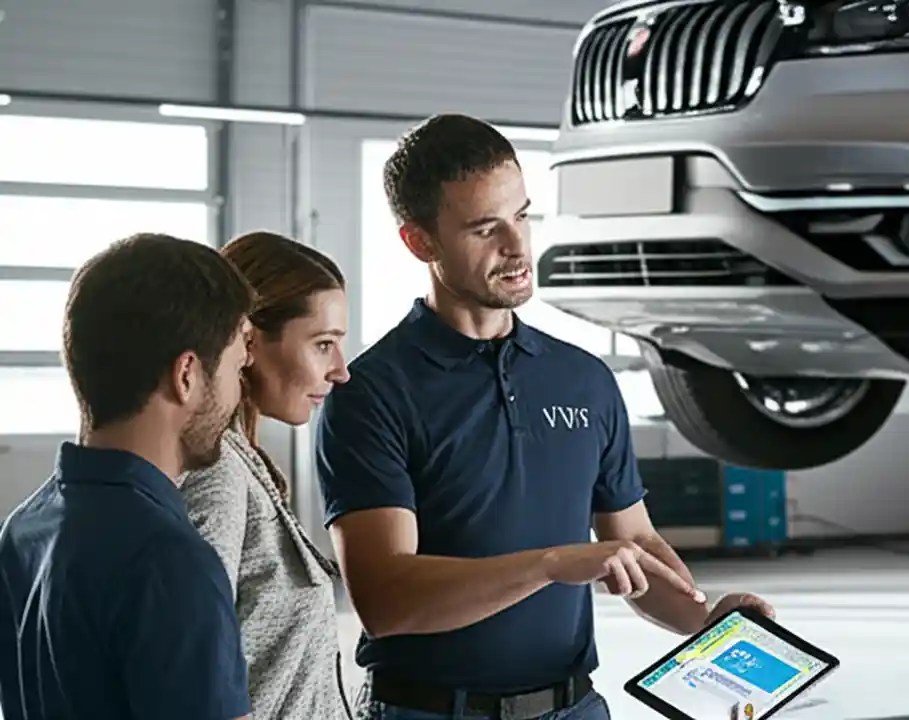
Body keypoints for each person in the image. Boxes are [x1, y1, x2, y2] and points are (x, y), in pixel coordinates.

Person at [315, 114, 775, 720]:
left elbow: (632, 542)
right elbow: (387, 600)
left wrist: (707, 617)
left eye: (522, 216)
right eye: (485, 229)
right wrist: (551, 563)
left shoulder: (584, 380)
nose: (517, 247)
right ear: (420, 242)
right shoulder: (370, 393)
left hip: (574, 707)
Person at [0, 233, 254, 720]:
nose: (238, 395)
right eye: (236, 371)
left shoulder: (26, 528)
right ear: (186, 375)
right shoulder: (170, 561)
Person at [181, 231, 353, 720]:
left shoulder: (244, 463)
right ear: (248, 341)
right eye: (323, 345)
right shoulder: (216, 478)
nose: (340, 370)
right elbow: (193, 675)